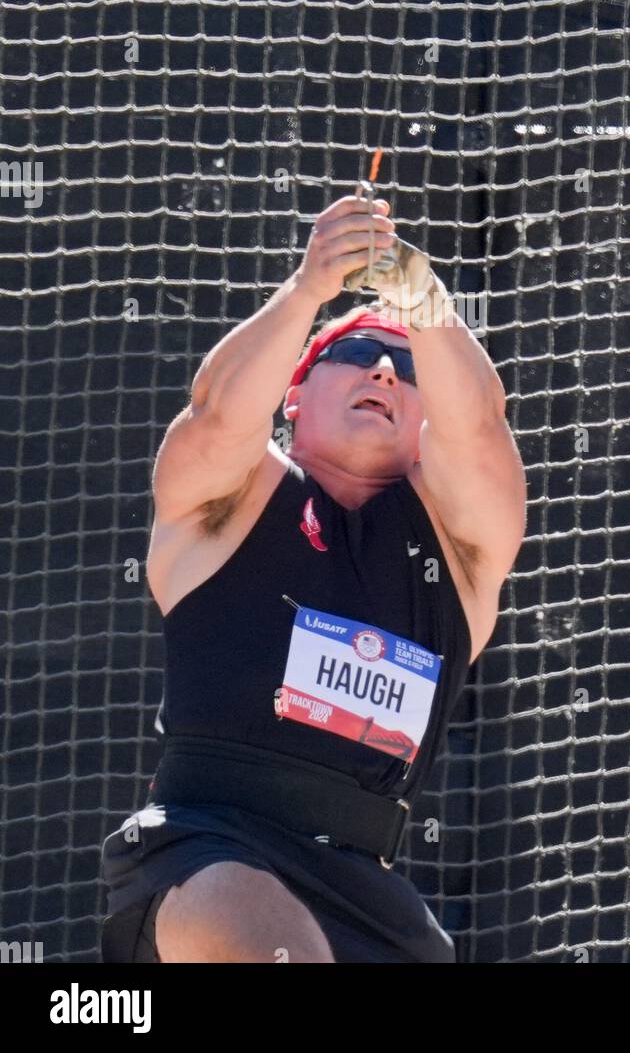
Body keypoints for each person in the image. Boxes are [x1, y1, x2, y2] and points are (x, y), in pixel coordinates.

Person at [100, 192, 526, 963]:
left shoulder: (458, 550)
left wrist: (423, 303)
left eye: (405, 364)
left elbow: (482, 430)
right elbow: (216, 415)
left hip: (370, 887)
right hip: (212, 851)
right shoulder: (233, 499)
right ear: (295, 394)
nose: (385, 372)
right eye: (358, 354)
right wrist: (307, 292)